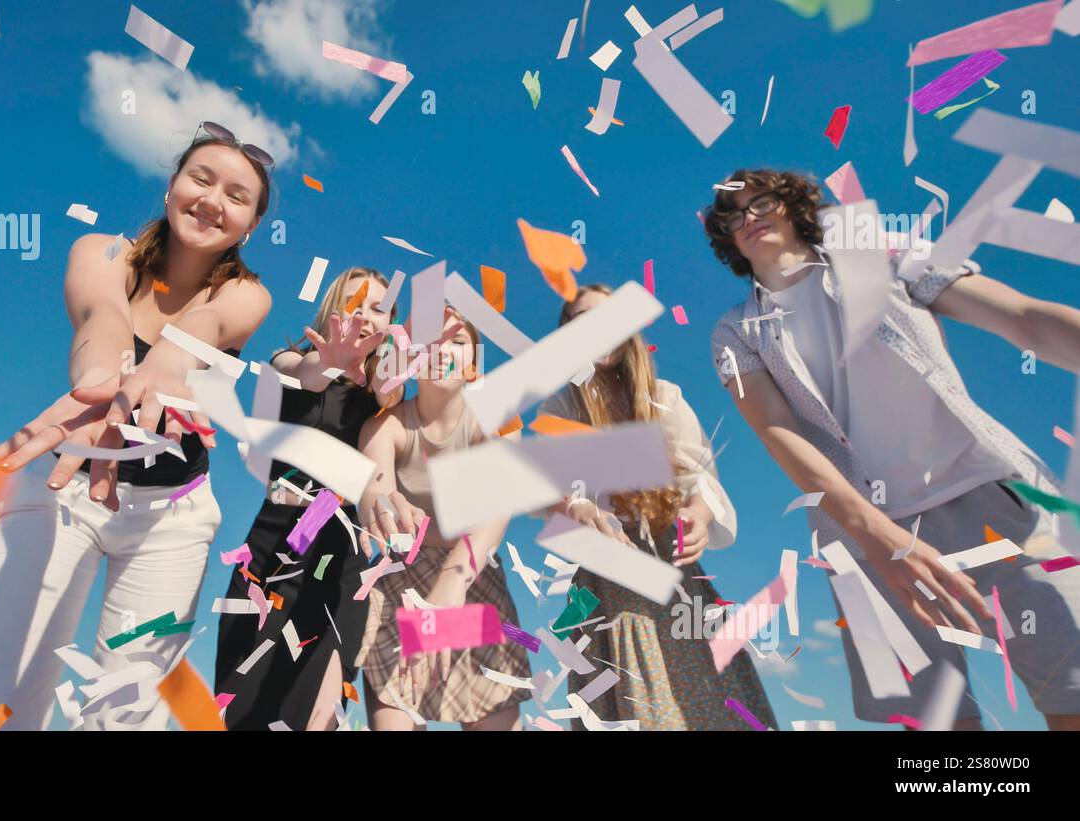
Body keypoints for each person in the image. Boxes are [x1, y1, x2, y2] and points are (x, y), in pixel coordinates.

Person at [0, 122, 273, 730]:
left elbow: (210, 330)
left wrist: (167, 363)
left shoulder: (247, 294)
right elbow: (100, 317)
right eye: (201, 178)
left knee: (127, 712)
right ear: (171, 187)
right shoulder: (100, 251)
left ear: (249, 225)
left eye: (237, 197)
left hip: (172, 514)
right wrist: (104, 382)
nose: (213, 200)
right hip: (63, 490)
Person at [706, 168, 1080, 729]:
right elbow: (776, 429)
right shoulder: (735, 332)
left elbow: (1023, 319)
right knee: (934, 724)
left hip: (992, 498)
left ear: (792, 205)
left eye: (760, 202)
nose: (749, 218)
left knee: (1071, 686)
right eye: (733, 216)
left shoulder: (881, 254)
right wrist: (875, 535)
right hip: (863, 541)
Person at [538, 284, 776, 730]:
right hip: (603, 575)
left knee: (704, 701)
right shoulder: (563, 405)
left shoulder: (664, 397)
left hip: (672, 570)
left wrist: (699, 516)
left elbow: (700, 477)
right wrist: (580, 511)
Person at [214, 266, 412, 730]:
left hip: (343, 560)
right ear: (332, 310)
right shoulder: (290, 360)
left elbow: (391, 395)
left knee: (320, 707)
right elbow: (306, 376)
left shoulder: (386, 395)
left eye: (379, 309)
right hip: (275, 548)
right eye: (355, 303)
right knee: (246, 704)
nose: (365, 316)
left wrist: (385, 380)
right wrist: (330, 362)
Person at [355, 308, 531, 730]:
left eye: (456, 341)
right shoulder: (388, 425)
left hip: (471, 576)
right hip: (398, 589)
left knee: (490, 712)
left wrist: (449, 588)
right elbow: (372, 486)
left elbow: (498, 506)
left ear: (475, 360)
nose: (442, 351)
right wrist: (379, 505)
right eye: (430, 341)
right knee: (396, 714)